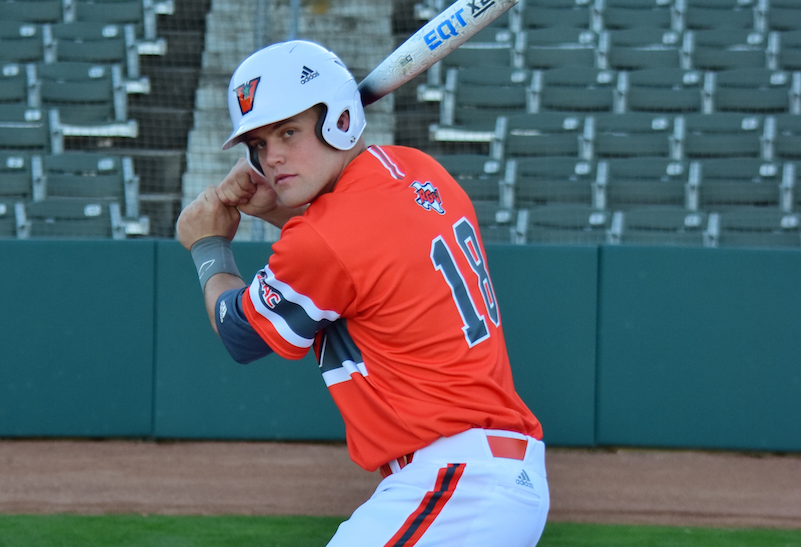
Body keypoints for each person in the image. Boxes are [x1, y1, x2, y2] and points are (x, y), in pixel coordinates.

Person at [176, 40, 548, 547]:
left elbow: (242, 334)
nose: (272, 157)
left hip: (457, 483)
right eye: (260, 144)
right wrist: (281, 213)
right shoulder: (418, 171)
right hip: (492, 474)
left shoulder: (326, 241)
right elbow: (358, 257)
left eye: (289, 132)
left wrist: (208, 245)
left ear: (341, 121)